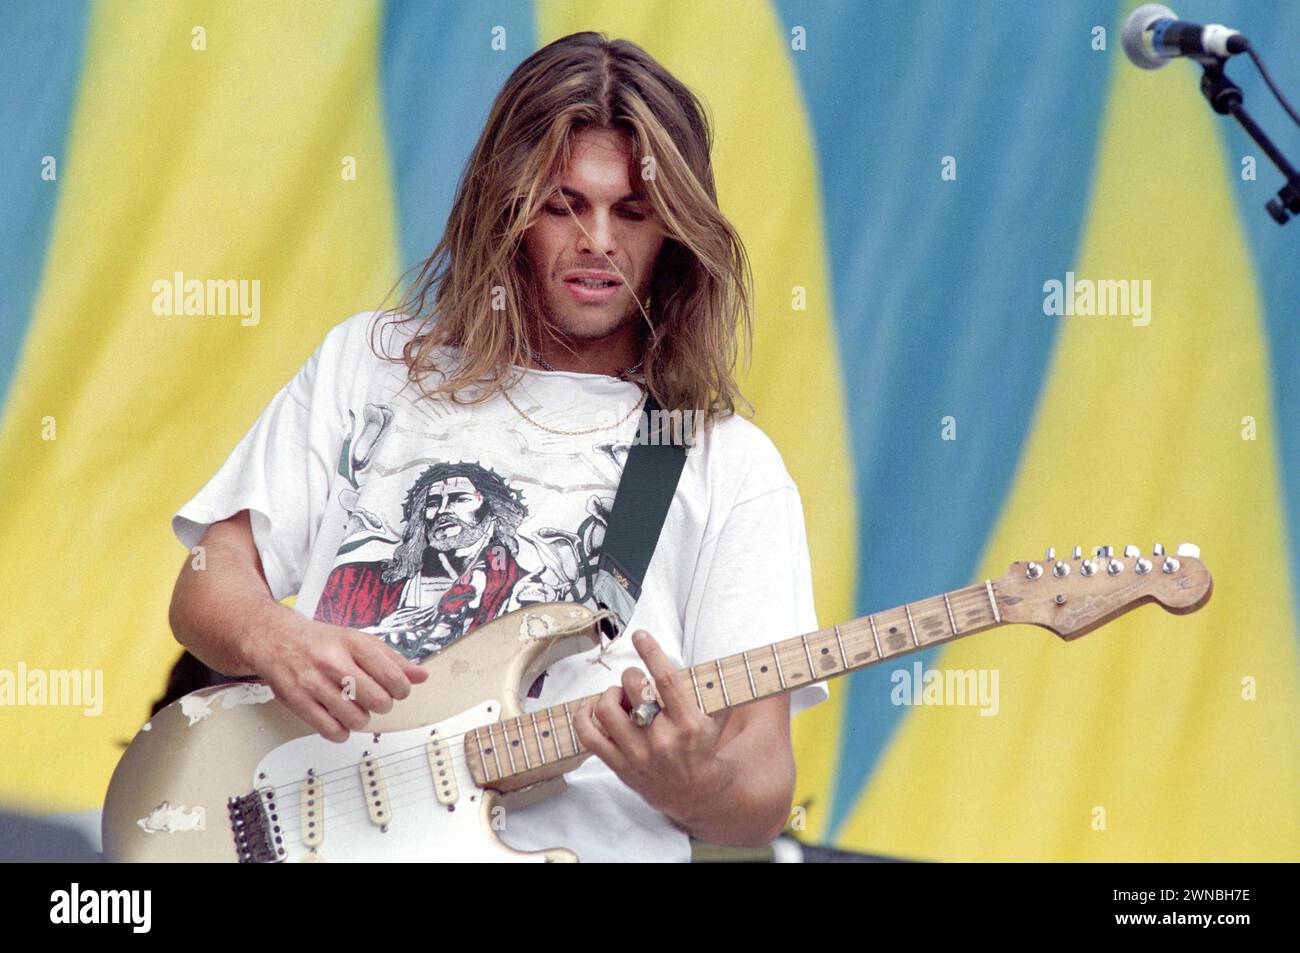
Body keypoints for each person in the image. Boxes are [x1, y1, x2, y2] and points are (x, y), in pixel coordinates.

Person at [167, 31, 826, 863]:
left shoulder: (725, 465)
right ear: (504, 207)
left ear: (676, 232)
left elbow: (761, 787)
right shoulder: (370, 364)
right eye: (563, 205)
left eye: (632, 211)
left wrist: (689, 782)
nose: (598, 241)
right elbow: (203, 585)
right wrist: (270, 635)